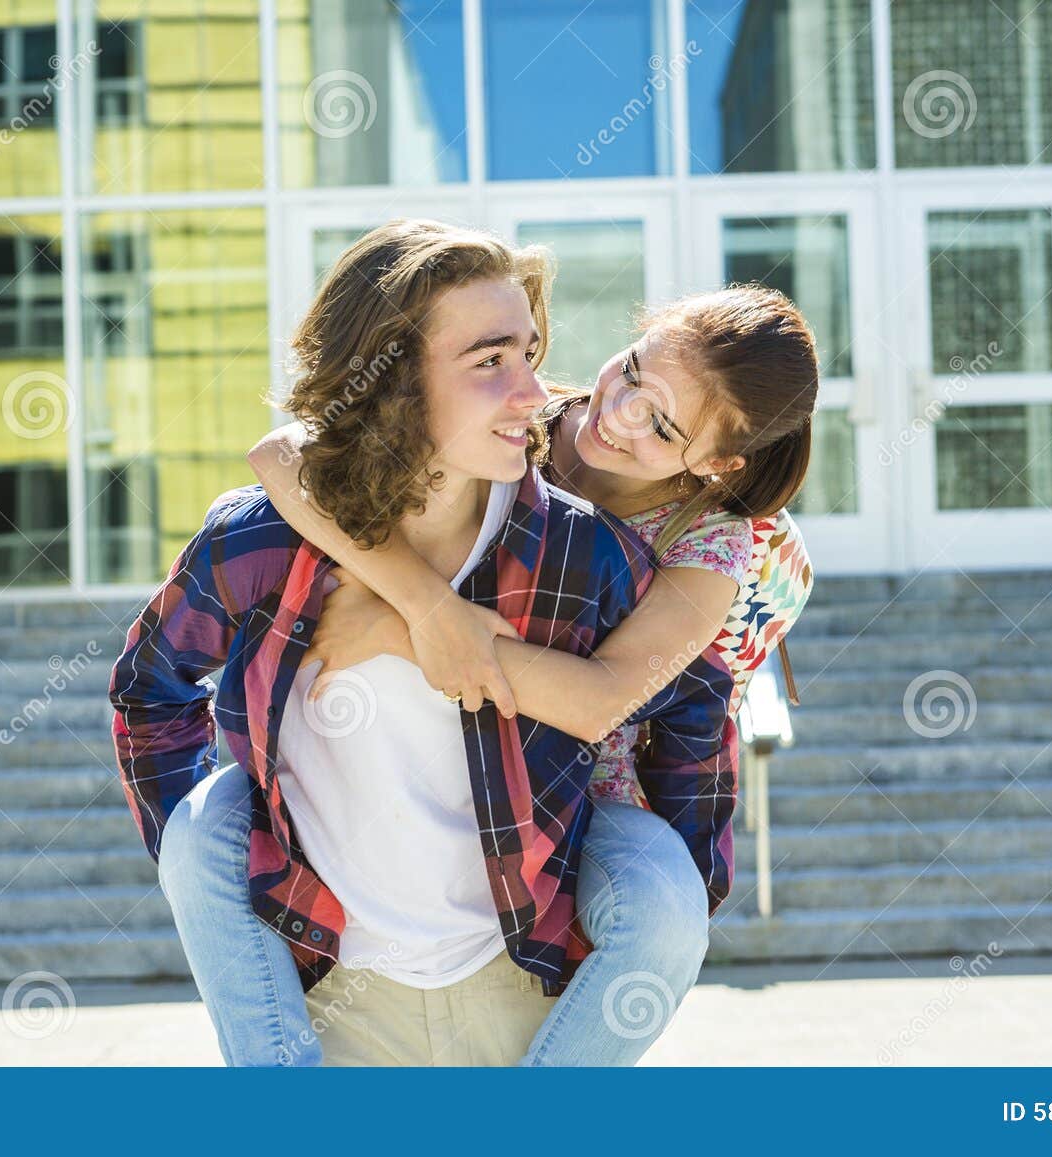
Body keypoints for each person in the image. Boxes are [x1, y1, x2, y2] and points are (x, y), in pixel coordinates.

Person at [108, 219, 738, 1067]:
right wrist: (234, 890)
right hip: (332, 1000)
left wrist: (653, 899)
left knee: (662, 872)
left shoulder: (582, 554)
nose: (532, 392)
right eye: (490, 361)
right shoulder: (260, 545)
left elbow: (695, 697)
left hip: (520, 995)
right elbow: (149, 690)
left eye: (530, 352)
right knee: (205, 818)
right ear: (392, 379)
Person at [248, 280, 821, 1063]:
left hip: (582, 793)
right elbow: (283, 455)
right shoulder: (529, 414)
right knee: (209, 831)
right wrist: (426, 606)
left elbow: (598, 701)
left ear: (717, 463)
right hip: (430, 747)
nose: (616, 416)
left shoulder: (709, 548)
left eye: (660, 423)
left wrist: (395, 629)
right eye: (630, 371)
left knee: (664, 913)